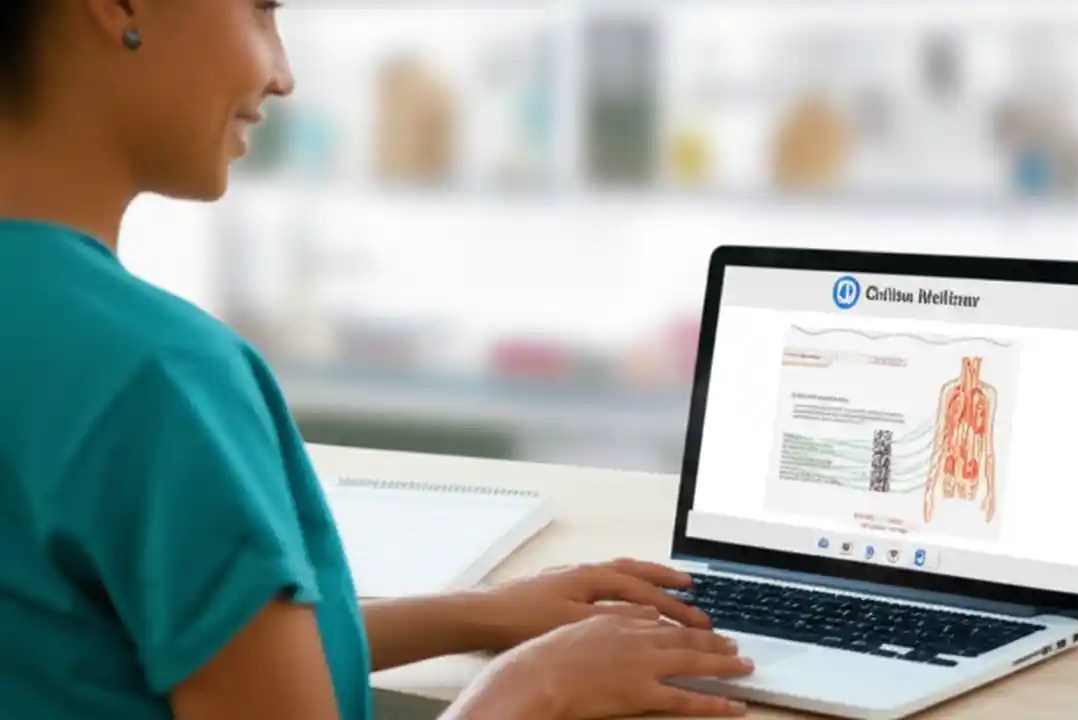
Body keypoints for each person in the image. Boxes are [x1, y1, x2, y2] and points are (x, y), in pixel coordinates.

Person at [0, 2, 754, 718]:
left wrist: (478, 614)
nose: (282, 72)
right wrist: (538, 686)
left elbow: (119, 639)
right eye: (261, 9)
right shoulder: (162, 378)